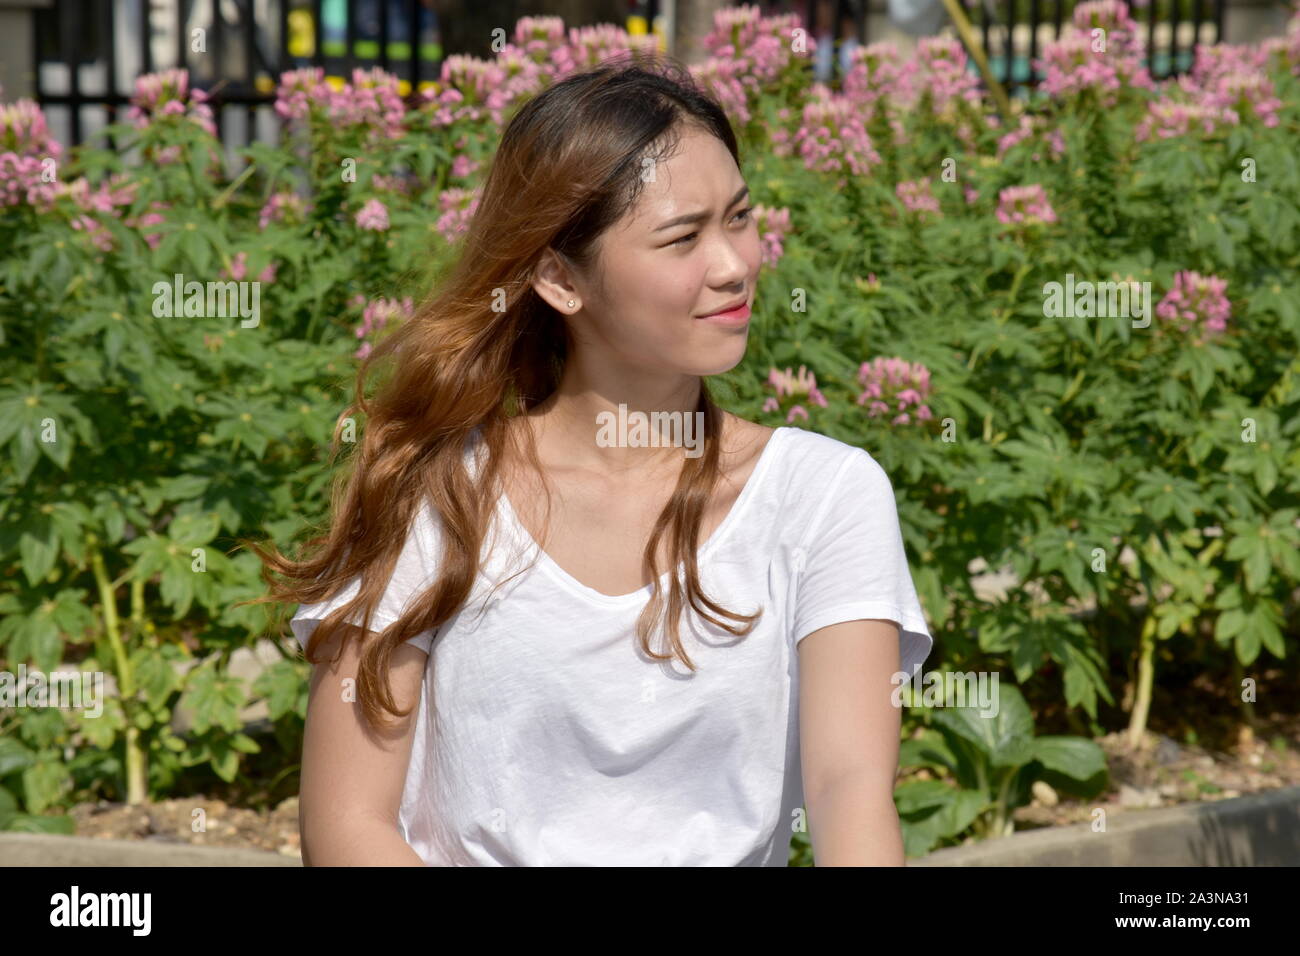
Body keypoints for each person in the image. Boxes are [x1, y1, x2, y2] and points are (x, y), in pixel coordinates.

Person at [252, 53, 933, 867]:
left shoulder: (825, 494)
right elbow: (348, 826)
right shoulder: (438, 489)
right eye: (683, 236)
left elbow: (851, 789)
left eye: (742, 217)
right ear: (558, 278)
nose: (735, 265)